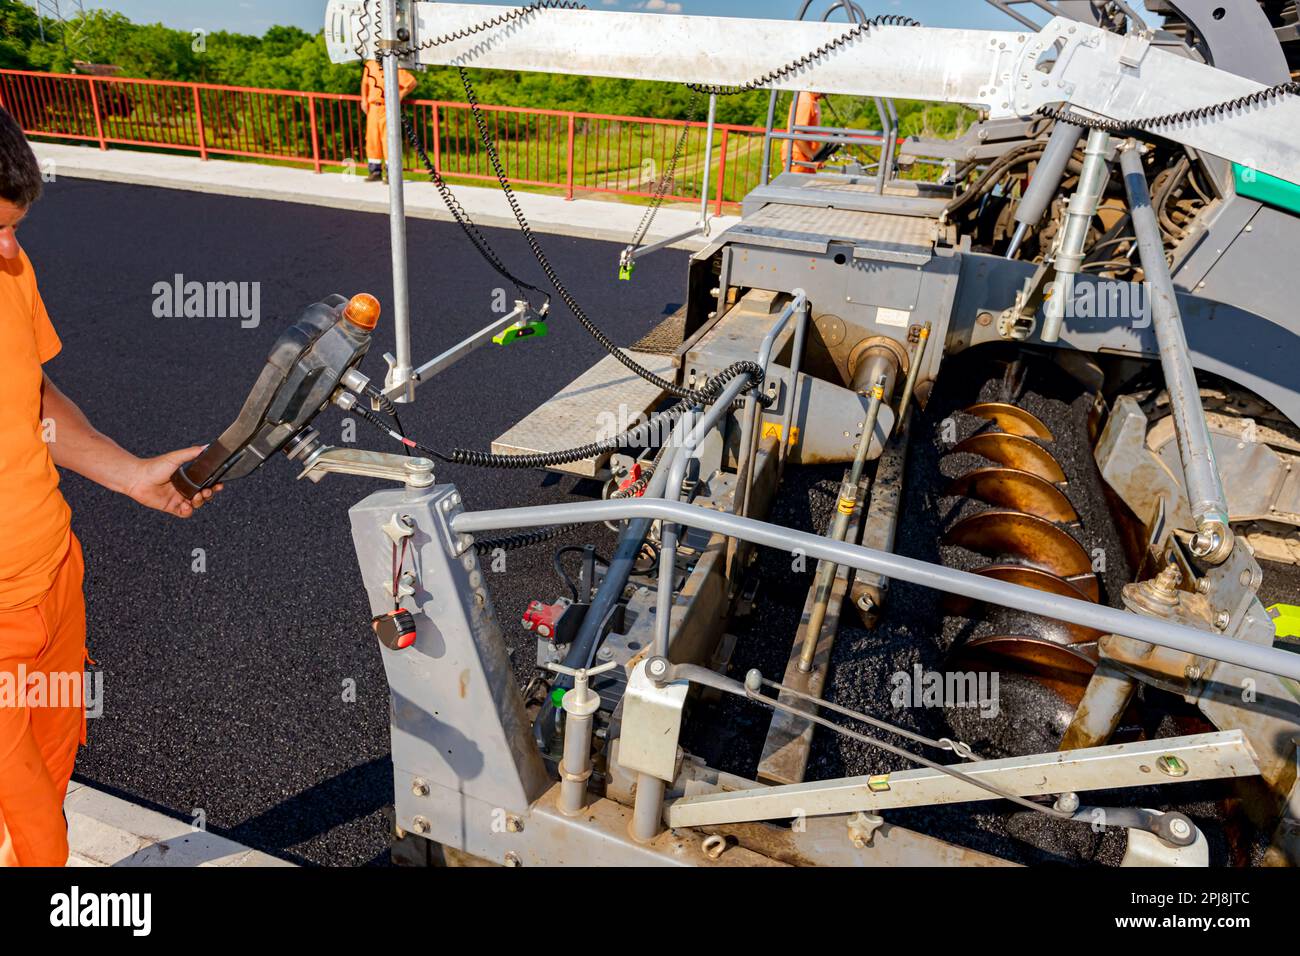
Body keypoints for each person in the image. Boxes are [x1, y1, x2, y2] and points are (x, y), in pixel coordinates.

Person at [0, 107, 220, 867]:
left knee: (53, 767)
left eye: (15, 227)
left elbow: (32, 395)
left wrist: (129, 474)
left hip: (53, 578)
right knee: (25, 811)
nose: (9, 249)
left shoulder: (10, 269)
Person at [361, 59, 418, 182]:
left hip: (387, 108)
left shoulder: (392, 65)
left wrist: (400, 95)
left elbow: (412, 82)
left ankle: (391, 174)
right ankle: (374, 171)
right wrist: (364, 99)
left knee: (388, 140)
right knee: (372, 140)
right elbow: (365, 83)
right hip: (372, 108)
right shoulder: (370, 64)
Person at [782, 90, 825, 174]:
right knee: (797, 186)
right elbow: (797, 134)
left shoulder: (813, 100)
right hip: (798, 155)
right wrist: (813, 157)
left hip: (806, 155)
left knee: (808, 185)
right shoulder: (805, 102)